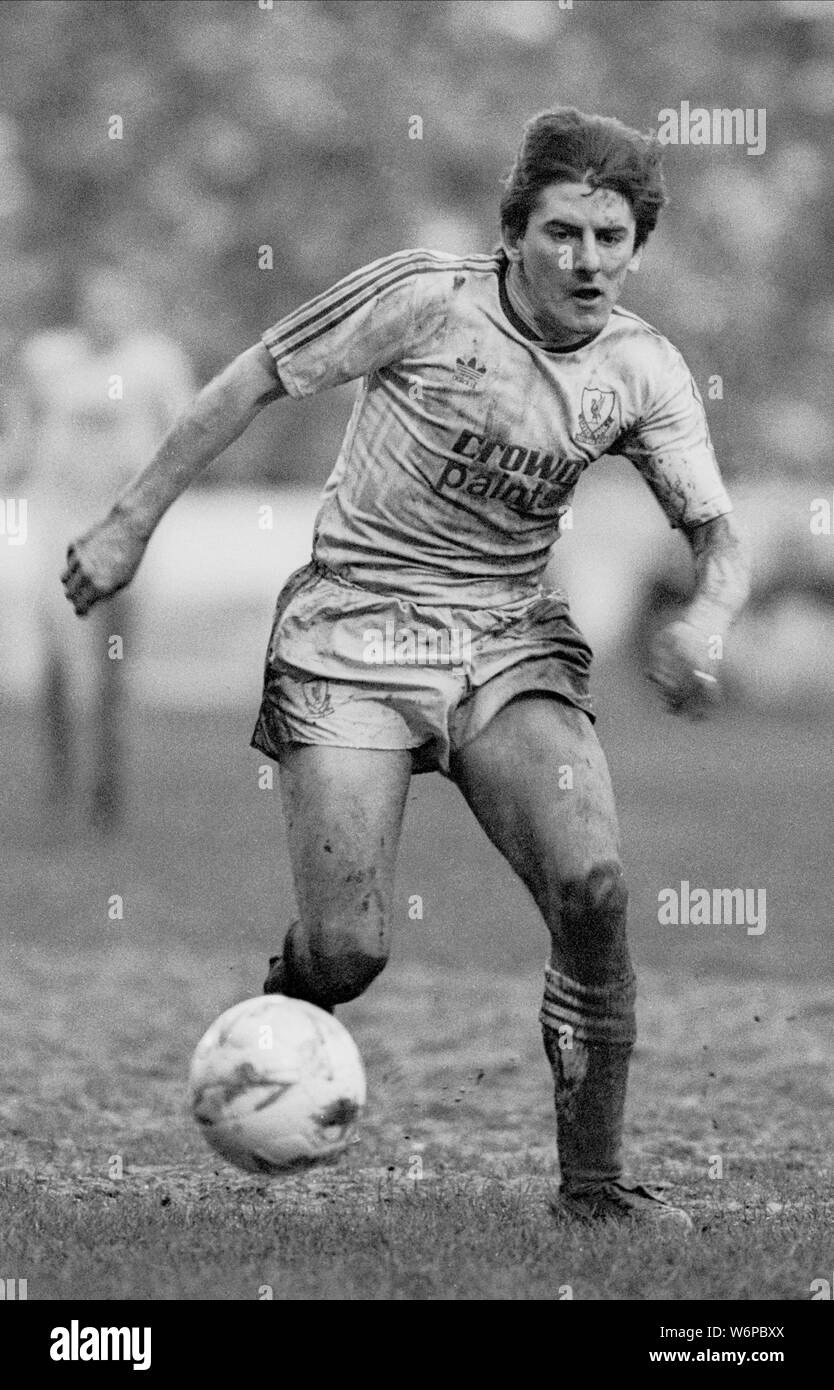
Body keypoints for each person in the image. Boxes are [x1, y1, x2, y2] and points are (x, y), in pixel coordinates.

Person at [62, 109, 750, 1226]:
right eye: (563, 231)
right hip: (354, 633)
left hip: (504, 639)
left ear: (638, 245)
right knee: (349, 949)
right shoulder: (425, 297)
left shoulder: (644, 368)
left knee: (595, 888)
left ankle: (593, 1187)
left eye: (612, 238)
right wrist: (129, 523)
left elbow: (716, 536)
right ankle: (284, 1018)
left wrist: (709, 620)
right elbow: (254, 378)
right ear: (513, 232)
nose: (588, 261)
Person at [11, 262, 195, 830]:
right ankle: (59, 780)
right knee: (58, 658)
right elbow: (20, 434)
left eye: (116, 301)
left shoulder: (156, 361)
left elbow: (187, 434)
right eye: (96, 299)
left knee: (115, 657)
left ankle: (106, 787)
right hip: (59, 526)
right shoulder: (46, 358)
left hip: (122, 527)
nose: (104, 312)